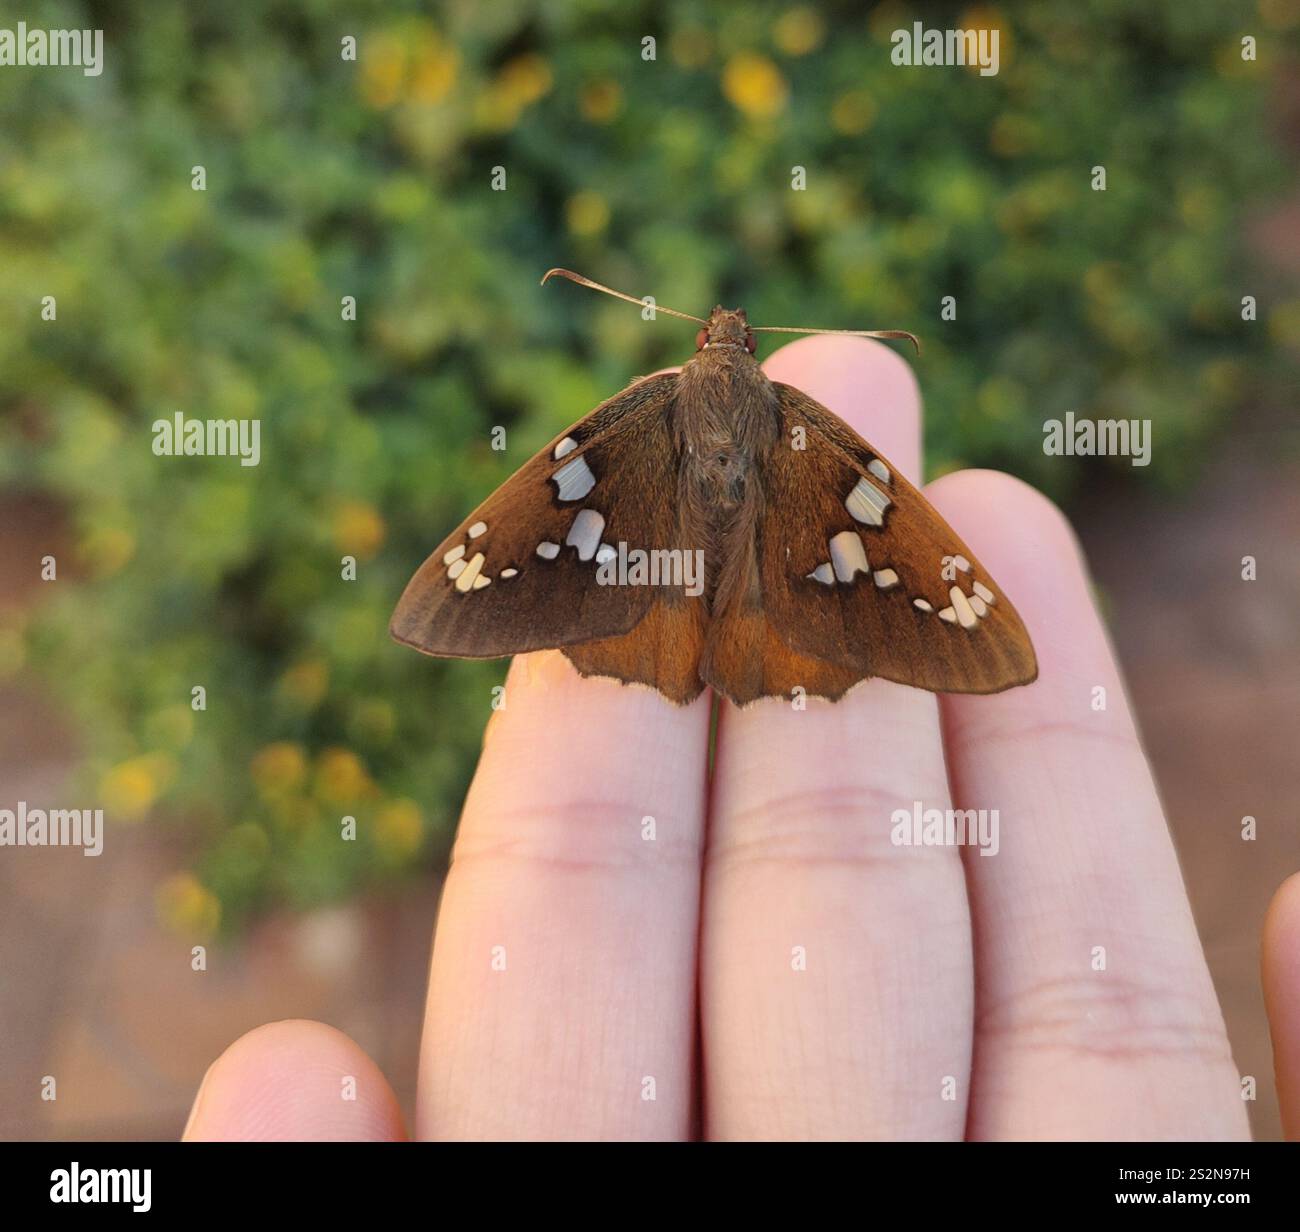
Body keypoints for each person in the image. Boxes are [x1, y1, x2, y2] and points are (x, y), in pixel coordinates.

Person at [182, 337, 1300, 1141]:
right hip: (768, 602)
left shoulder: (628, 431)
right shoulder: (820, 445)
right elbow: (483, 574)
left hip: (660, 597)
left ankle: (695, 637)